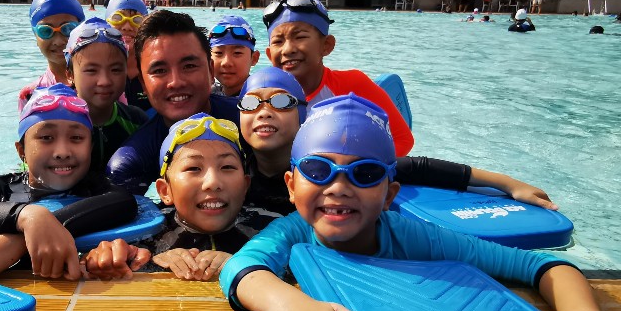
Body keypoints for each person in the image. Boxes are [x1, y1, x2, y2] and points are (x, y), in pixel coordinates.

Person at [220, 94, 621, 311]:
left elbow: (542, 265)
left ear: (390, 194)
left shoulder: (414, 236)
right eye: (318, 170)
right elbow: (241, 267)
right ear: (292, 186)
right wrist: (288, 305)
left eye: (364, 174)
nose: (338, 186)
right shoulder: (292, 232)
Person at [238, 67, 558, 216]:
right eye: (251, 103)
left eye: (280, 102)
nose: (264, 112)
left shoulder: (331, 162)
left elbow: (416, 168)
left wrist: (507, 184)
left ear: (304, 115)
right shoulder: (229, 168)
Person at [0, 85, 136, 280]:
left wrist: (20, 241)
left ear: (90, 148)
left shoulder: (96, 187)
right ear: (21, 151)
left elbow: (124, 202)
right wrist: (26, 216)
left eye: (76, 138)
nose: (63, 152)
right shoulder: (2, 188)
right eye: (46, 137)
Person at [83, 114, 264, 282]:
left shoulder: (270, 231)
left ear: (245, 185)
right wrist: (111, 259)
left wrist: (243, 265)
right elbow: (91, 267)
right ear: (165, 191)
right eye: (193, 168)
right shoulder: (144, 235)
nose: (213, 182)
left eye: (227, 167)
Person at [107, 9, 241, 195]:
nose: (176, 82)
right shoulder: (130, 163)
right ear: (143, 84)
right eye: (160, 70)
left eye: (189, 66)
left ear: (211, 72)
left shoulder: (249, 122)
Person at [263, 0, 414, 156]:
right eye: (278, 41)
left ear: (326, 46)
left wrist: (356, 167)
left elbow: (402, 140)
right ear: (270, 55)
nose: (287, 49)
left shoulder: (352, 86)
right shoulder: (263, 97)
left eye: (300, 37)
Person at [63, 18, 148, 172]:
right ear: (70, 75)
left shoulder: (136, 121)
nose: (104, 81)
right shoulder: (58, 123)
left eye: (115, 70)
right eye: (91, 70)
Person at [18, 0, 85, 110]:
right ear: (36, 37)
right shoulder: (29, 95)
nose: (58, 41)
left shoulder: (102, 82)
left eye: (68, 29)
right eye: (45, 31)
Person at [105, 0, 151, 110]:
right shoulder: (99, 70)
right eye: (118, 18)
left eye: (136, 20)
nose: (127, 27)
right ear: (106, 24)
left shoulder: (154, 67)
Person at [209, 14, 260, 97]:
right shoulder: (207, 95)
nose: (226, 62)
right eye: (218, 53)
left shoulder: (261, 99)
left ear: (254, 58)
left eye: (237, 53)